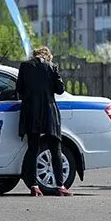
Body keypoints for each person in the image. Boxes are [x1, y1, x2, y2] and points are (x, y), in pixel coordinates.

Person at [16, 46, 70, 197]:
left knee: (33, 149)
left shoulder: (25, 66)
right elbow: (60, 89)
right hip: (49, 111)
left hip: (31, 112)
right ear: (48, 56)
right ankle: (60, 186)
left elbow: (19, 88)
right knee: (55, 149)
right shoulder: (52, 67)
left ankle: (34, 186)